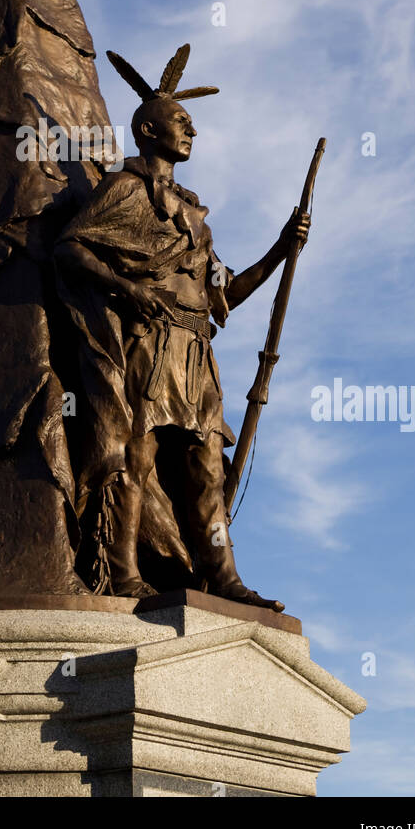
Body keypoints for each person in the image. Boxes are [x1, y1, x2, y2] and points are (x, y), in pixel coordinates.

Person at [54, 48, 309, 611]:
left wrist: (282, 247)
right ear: (147, 130)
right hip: (150, 340)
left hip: (197, 349)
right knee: (136, 457)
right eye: (180, 120)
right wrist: (130, 290)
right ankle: (121, 574)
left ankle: (223, 576)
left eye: (190, 122)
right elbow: (69, 247)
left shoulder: (195, 217)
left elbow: (226, 294)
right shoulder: (121, 191)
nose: (191, 127)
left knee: (206, 469)